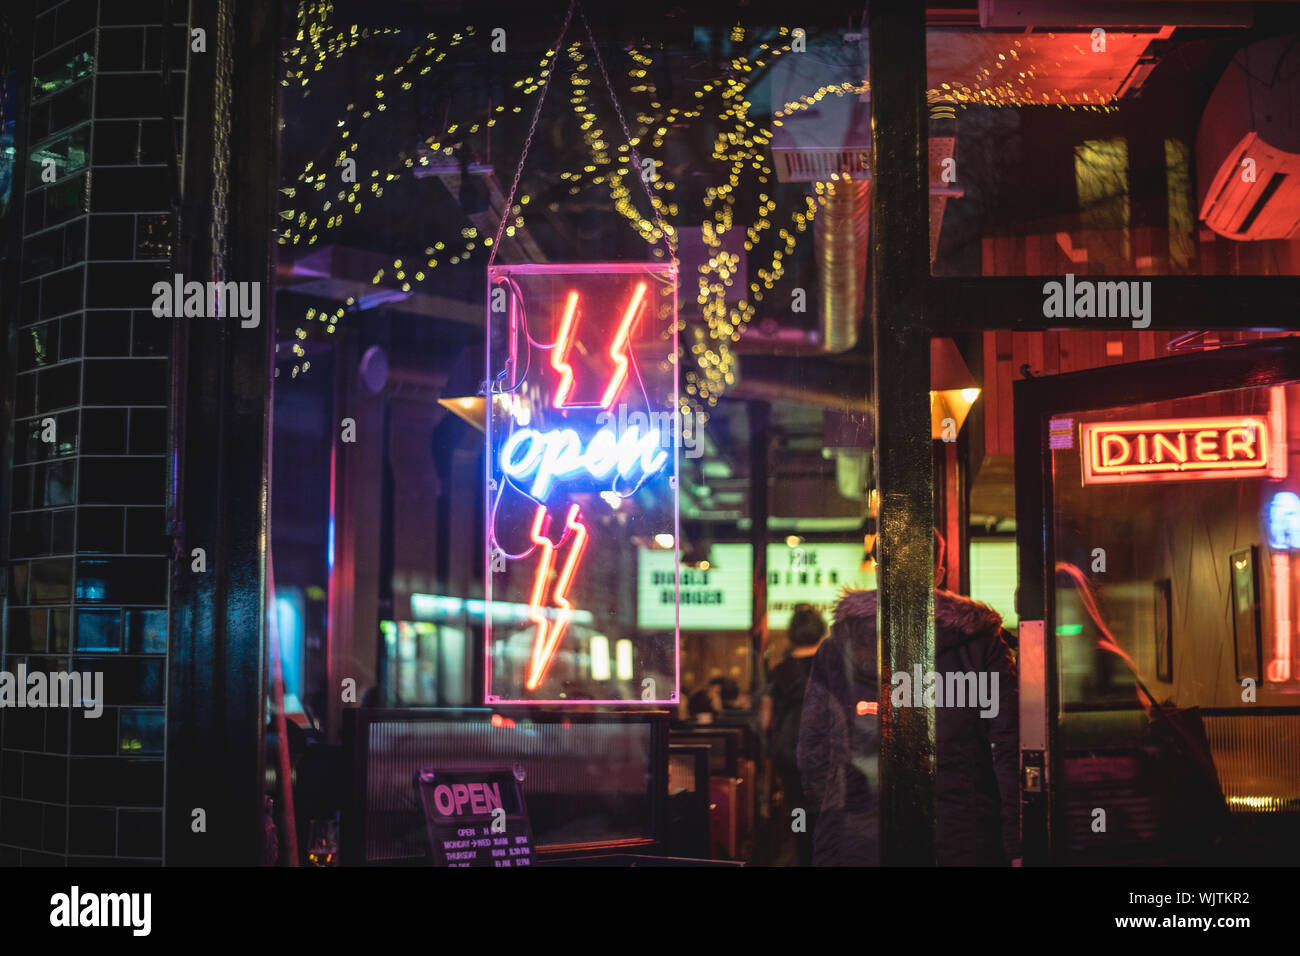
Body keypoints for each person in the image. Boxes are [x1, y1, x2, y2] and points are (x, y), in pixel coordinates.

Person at [797, 527, 1020, 866]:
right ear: (938, 573)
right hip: (961, 838)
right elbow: (1008, 749)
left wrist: (831, 817)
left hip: (856, 840)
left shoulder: (837, 648)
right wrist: (1015, 843)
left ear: (879, 570)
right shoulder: (981, 646)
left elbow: (813, 747)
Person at [761, 604, 827, 865]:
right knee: (825, 809)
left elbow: (766, 720)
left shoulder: (778, 671)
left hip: (790, 752)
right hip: (824, 750)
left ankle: (803, 852)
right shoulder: (830, 667)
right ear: (821, 632)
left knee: (798, 807)